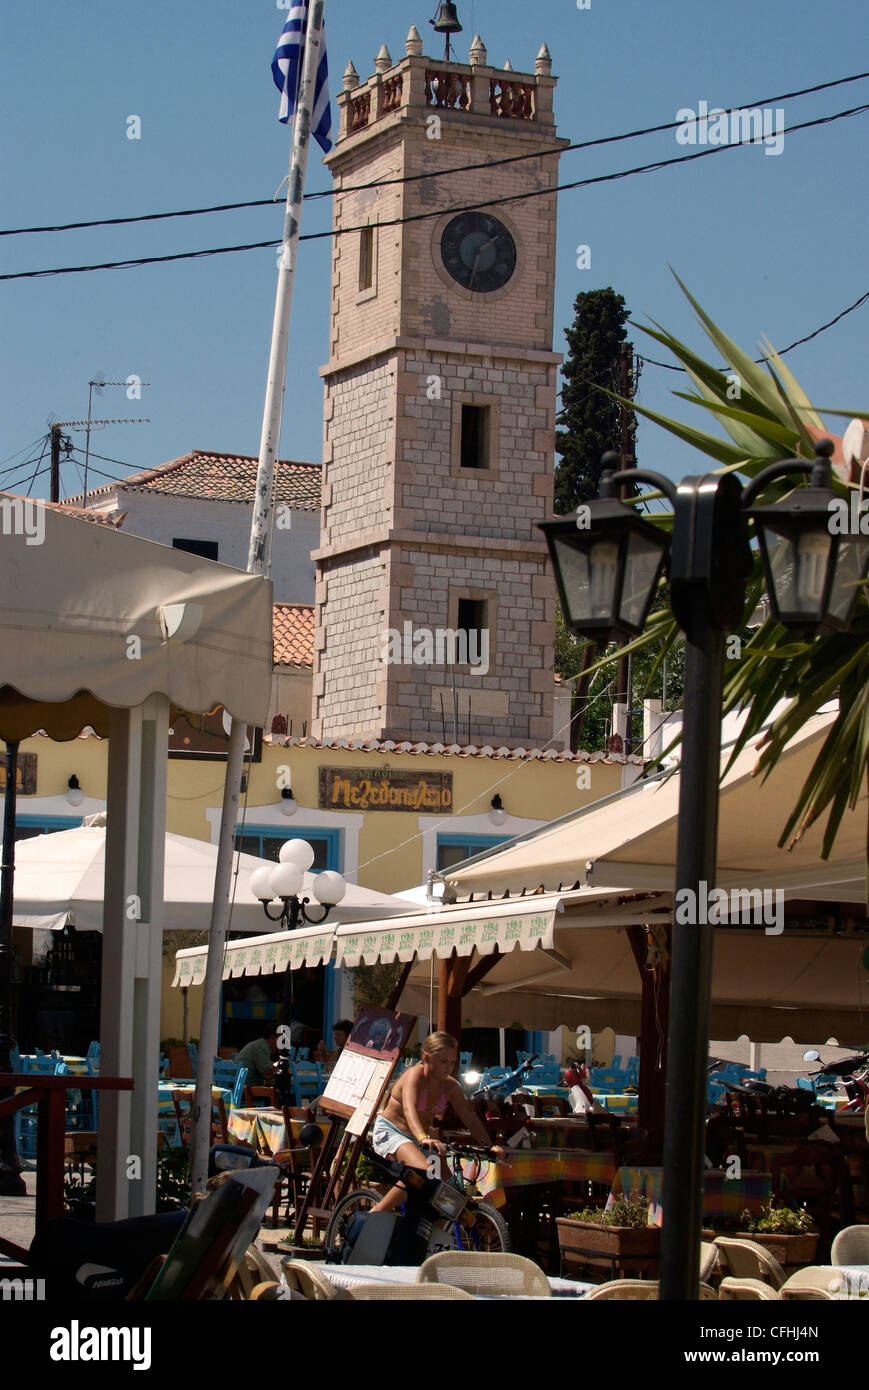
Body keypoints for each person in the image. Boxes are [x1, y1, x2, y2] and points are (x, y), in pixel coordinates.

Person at [369, 1031, 505, 1212]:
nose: (448, 1067)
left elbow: (471, 1120)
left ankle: (431, 1237)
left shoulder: (451, 1086)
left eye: (452, 1062)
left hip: (421, 1139)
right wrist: (423, 1137)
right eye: (443, 1061)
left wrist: (489, 1147)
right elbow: (410, 1109)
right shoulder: (415, 1076)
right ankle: (378, 1212)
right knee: (423, 1170)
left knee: (450, 1189)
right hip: (394, 1132)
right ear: (426, 1057)